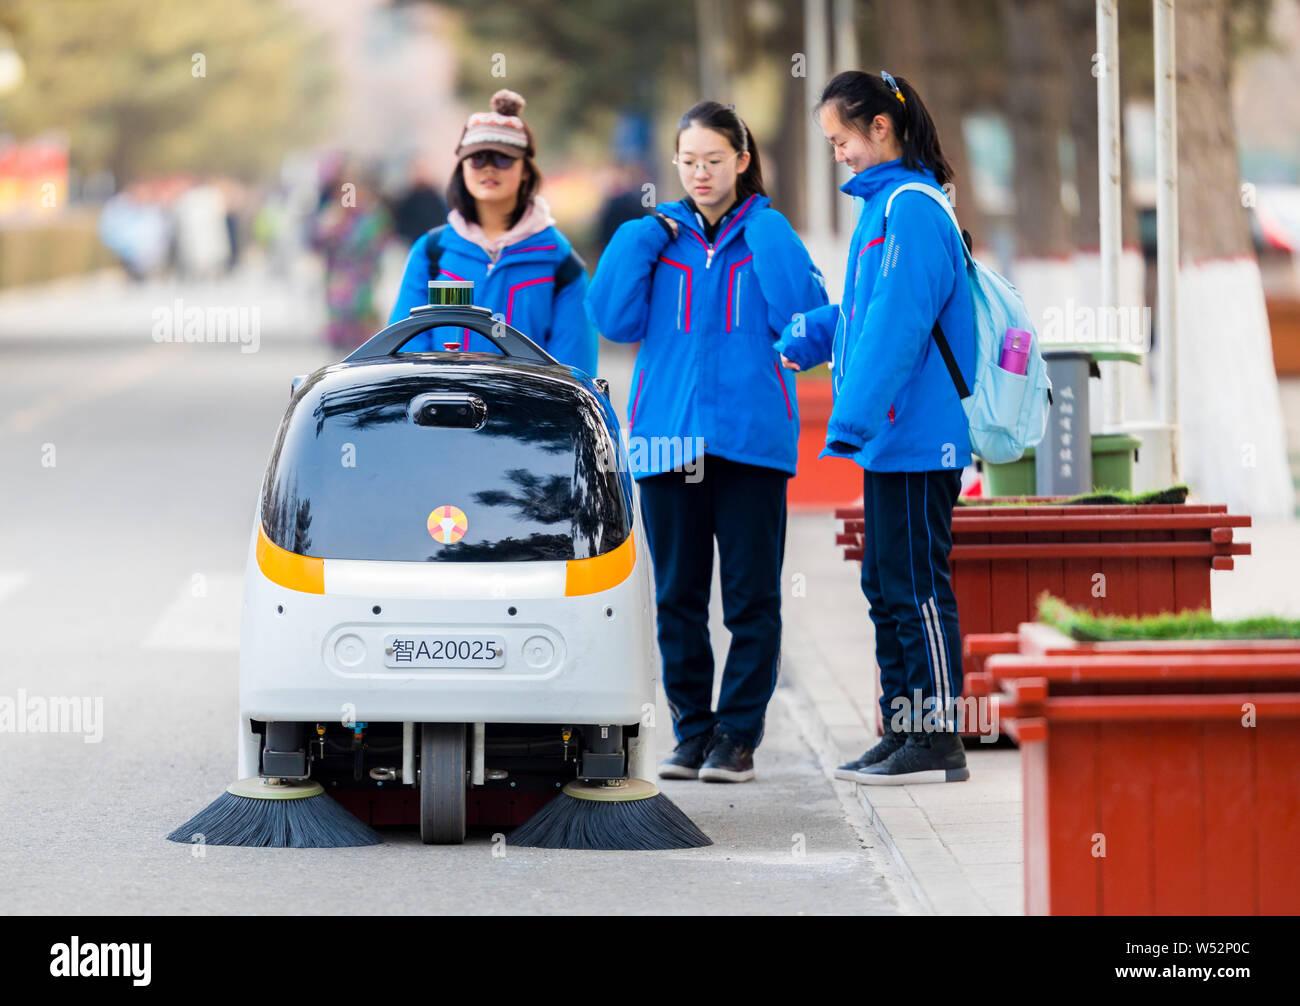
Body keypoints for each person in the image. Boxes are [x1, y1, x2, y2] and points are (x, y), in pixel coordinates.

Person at [586, 101, 827, 783]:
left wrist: (771, 228)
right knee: (678, 598)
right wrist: (640, 236)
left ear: (742, 161)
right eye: (688, 161)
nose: (699, 173)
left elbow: (801, 322)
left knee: (751, 599)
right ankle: (692, 733)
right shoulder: (658, 240)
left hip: (752, 443)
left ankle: (738, 738)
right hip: (667, 443)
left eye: (714, 160)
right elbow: (613, 319)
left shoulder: (769, 235)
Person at [776, 70, 976, 785]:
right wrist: (813, 333)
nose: (838, 154)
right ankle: (902, 729)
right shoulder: (883, 209)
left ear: (880, 129)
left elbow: (899, 327)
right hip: (896, 439)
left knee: (918, 586)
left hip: (919, 436)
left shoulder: (913, 210)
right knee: (885, 581)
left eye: (842, 139)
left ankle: (937, 740)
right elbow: (867, 314)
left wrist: (851, 419)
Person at [388, 90, 596, 376]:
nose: (489, 168)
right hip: (440, 415)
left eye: (503, 159)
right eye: (477, 159)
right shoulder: (432, 253)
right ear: (462, 168)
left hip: (526, 416)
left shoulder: (561, 263)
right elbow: (402, 356)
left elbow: (575, 374)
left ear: (526, 170)